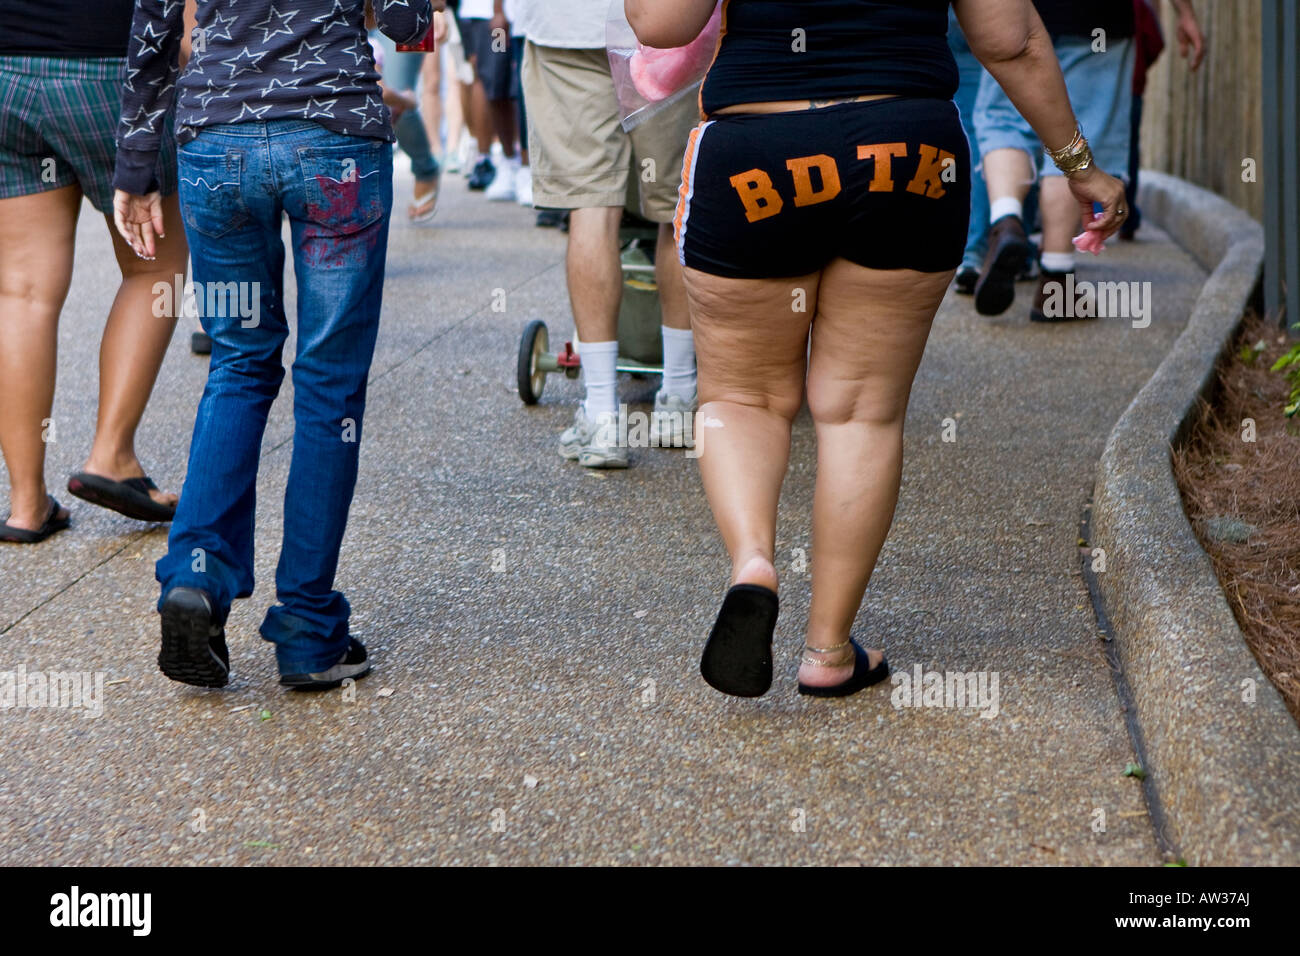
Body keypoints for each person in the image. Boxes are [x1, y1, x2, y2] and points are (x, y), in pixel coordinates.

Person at [627, 0, 1127, 697]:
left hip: (756, 155)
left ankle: (753, 565)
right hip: (908, 152)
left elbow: (659, 23)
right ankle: (828, 652)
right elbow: (1010, 41)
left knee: (744, 397)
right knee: (861, 412)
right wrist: (1079, 166)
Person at [112, 0, 434, 690]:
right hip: (335, 140)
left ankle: (196, 569)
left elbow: (153, 27)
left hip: (215, 141)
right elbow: (411, 26)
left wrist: (136, 162)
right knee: (330, 383)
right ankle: (309, 628)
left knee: (237, 364)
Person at [0, 0, 188, 544]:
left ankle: (26, 504)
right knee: (157, 268)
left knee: (22, 292)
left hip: (7, 68)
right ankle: (111, 454)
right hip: (108, 66)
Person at [520, 0, 700, 468]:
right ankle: (678, 400)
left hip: (566, 24)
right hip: (671, 25)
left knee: (591, 205)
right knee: (676, 207)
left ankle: (602, 415)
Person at [972, 0, 1200, 321]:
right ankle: (1057, 277)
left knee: (1004, 119)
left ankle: (1005, 221)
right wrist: (1185, 13)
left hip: (1013, 12)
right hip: (1097, 19)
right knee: (1080, 131)